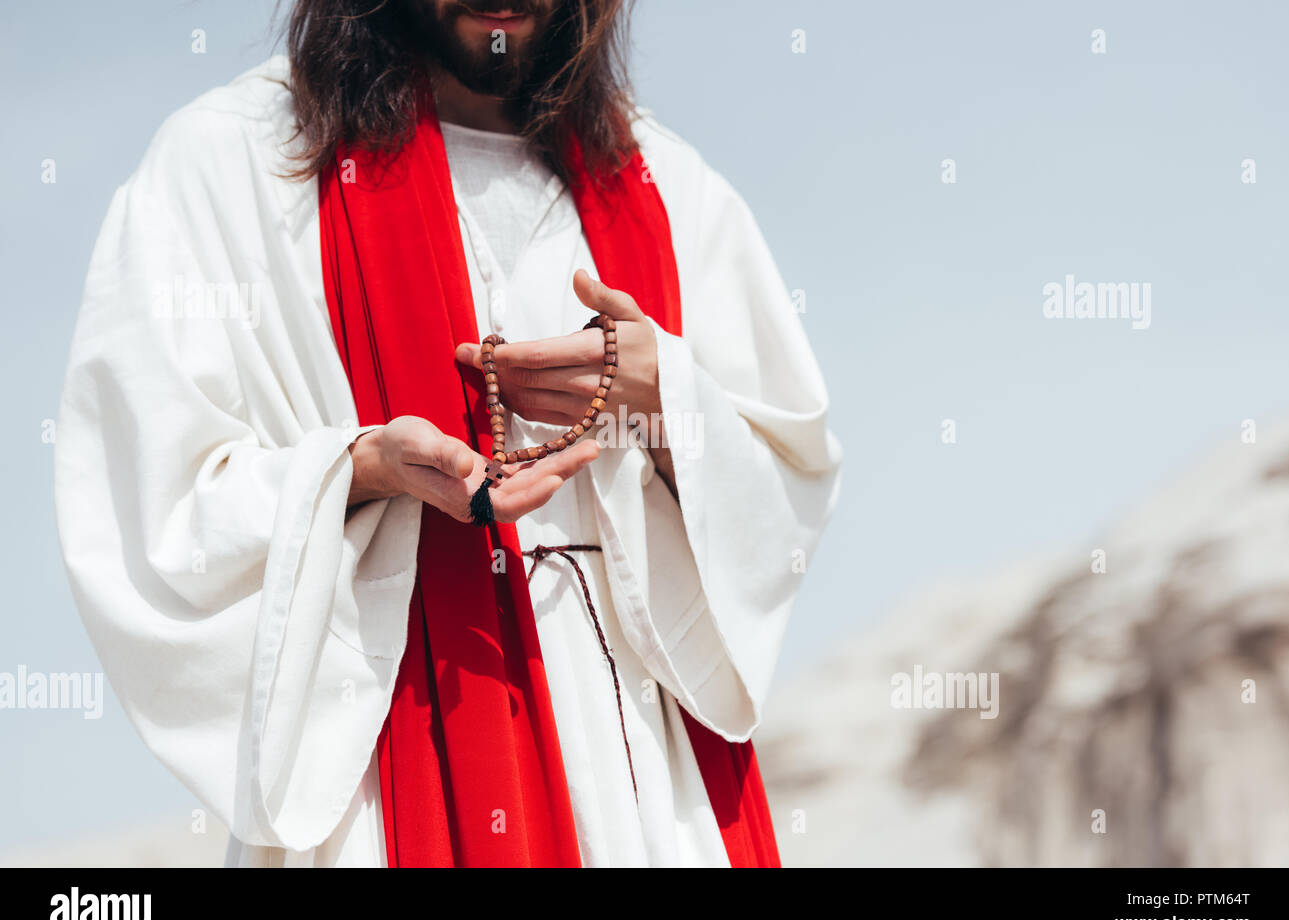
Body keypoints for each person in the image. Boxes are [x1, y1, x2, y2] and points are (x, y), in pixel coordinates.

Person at [54, 0, 841, 867]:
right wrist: (354, 472)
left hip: (648, 777)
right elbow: (146, 506)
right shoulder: (235, 162)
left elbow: (789, 482)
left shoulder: (667, 182)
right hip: (393, 761)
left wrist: (670, 402)